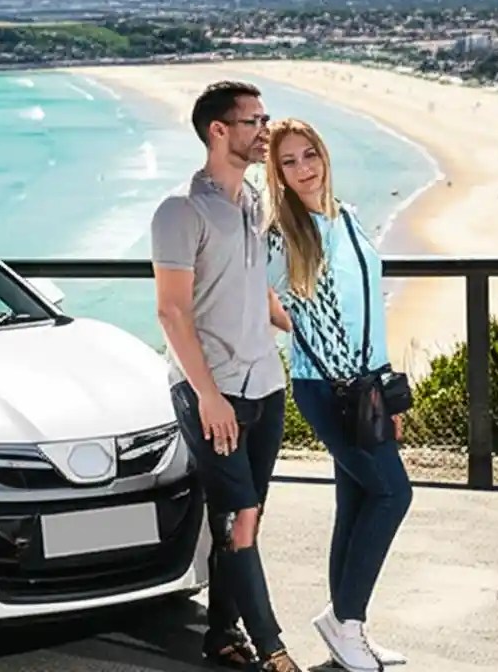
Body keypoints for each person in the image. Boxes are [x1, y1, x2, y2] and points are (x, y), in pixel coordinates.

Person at [151, 80, 301, 672]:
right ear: (218, 131)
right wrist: (208, 396)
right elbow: (171, 310)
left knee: (246, 516)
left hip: (266, 384)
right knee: (239, 518)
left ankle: (222, 634)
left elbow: (255, 291)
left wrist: (307, 334)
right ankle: (273, 647)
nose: (265, 131)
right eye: (253, 121)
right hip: (212, 394)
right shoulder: (180, 211)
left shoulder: (253, 204)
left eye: (264, 120)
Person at [262, 118, 413, 672]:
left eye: (309, 156)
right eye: (288, 162)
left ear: (324, 156)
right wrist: (302, 328)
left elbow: (367, 310)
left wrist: (388, 395)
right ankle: (343, 621)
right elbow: (249, 294)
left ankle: (350, 630)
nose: (303, 169)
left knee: (355, 503)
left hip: (369, 386)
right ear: (275, 173)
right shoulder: (281, 232)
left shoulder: (345, 217)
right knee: (394, 495)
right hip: (326, 389)